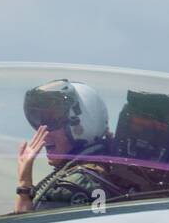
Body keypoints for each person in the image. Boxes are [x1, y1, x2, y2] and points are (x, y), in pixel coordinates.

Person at [15, 80, 122, 213]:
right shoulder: (110, 167)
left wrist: (24, 186)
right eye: (40, 124)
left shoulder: (71, 187)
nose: (44, 135)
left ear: (83, 124)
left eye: (52, 123)